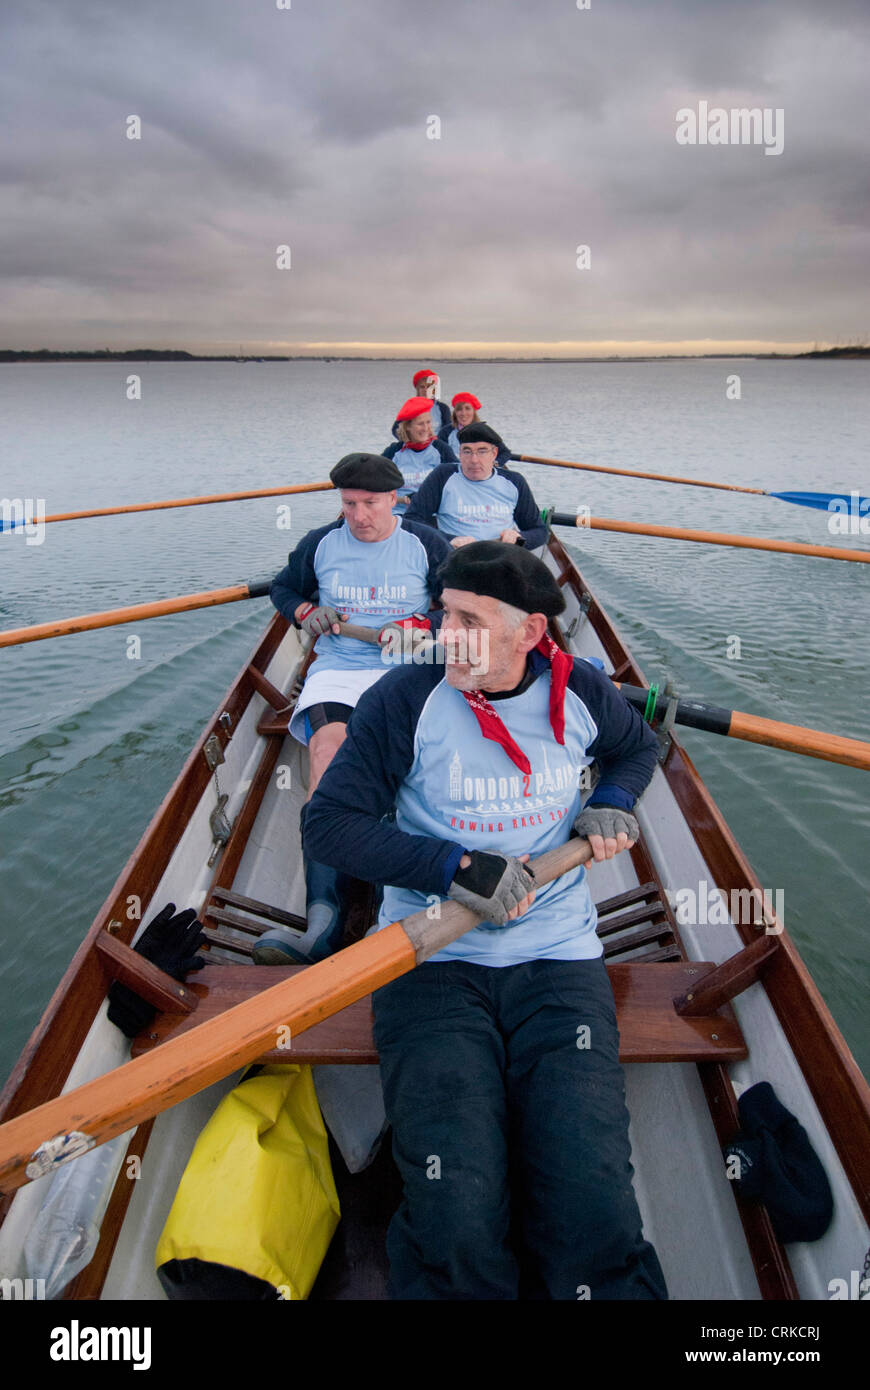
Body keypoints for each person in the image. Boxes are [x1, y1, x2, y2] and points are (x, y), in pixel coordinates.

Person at [303, 541, 668, 1301]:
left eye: (468, 618)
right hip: (431, 966)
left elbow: (639, 750)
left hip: (559, 963)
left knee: (594, 1202)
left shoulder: (586, 692)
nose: (444, 632)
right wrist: (455, 869)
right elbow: (329, 827)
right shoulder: (406, 698)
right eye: (442, 613)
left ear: (531, 634)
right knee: (456, 1210)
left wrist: (614, 800)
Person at [261, 452, 451, 964]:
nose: (359, 515)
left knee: (412, 770)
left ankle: (395, 909)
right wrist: (305, 610)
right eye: (349, 504)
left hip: (407, 669)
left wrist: (422, 625)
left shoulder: (426, 544)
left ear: (396, 500)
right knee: (326, 756)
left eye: (370, 503)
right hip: (340, 667)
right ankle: (322, 919)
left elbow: (456, 604)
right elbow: (284, 588)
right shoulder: (321, 543)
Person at [406, 422, 547, 549]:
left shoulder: (514, 481)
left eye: (482, 451)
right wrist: (450, 539)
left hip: (502, 557)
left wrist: (519, 538)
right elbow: (412, 519)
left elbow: (539, 531)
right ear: (459, 454)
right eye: (467, 451)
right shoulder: (443, 476)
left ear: (494, 454)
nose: (474, 460)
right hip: (458, 558)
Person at [383, 397, 457, 512]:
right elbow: (374, 484)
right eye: (420, 424)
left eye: (428, 422)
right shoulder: (393, 452)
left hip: (431, 513)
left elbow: (458, 480)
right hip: (398, 513)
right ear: (407, 426)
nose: (426, 428)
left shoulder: (441, 449)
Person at [438, 392, 511, 466]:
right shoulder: (446, 432)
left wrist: (494, 464)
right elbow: (438, 454)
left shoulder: (485, 431)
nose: (463, 413)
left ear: (474, 412)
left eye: (467, 409)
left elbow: (505, 453)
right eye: (459, 409)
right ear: (455, 413)